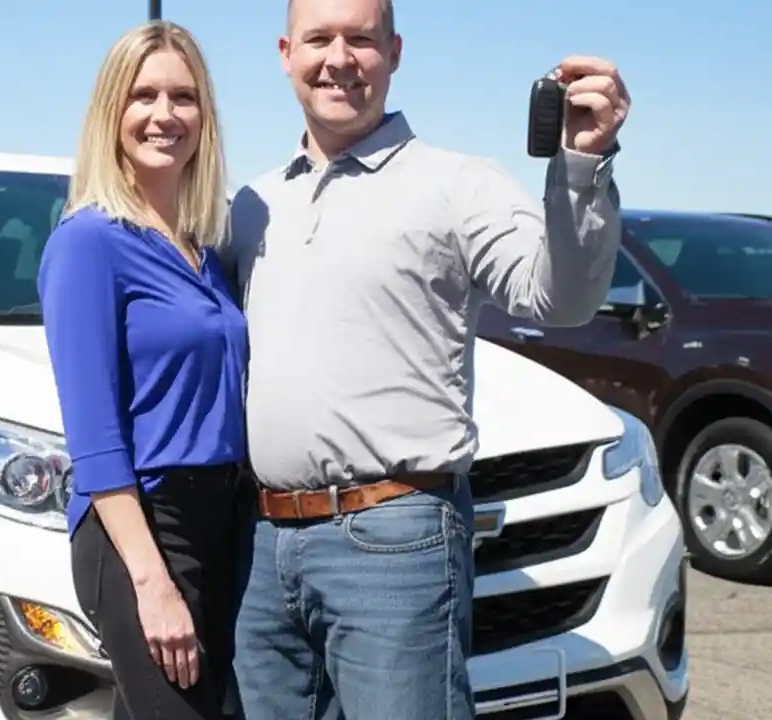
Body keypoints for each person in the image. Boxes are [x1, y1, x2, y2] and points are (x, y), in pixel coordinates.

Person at [220, 0, 631, 718]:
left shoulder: (456, 183)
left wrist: (582, 164)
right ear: (286, 53)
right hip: (262, 545)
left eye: (361, 39)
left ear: (395, 52)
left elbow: (557, 299)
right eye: (319, 39)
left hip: (393, 541)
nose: (339, 59)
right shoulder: (253, 203)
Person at [36, 20, 249, 720]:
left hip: (224, 523)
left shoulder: (203, 249)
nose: (165, 115)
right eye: (144, 96)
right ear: (112, 114)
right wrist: (152, 582)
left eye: (184, 97)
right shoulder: (89, 242)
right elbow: (94, 438)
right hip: (143, 531)